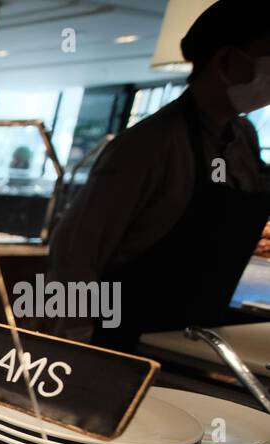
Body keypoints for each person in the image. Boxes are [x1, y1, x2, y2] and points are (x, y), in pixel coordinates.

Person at [49, 0, 270, 350]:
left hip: (195, 336)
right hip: (126, 338)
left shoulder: (244, 137)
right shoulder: (151, 143)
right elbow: (74, 253)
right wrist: (76, 339)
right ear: (226, 61)